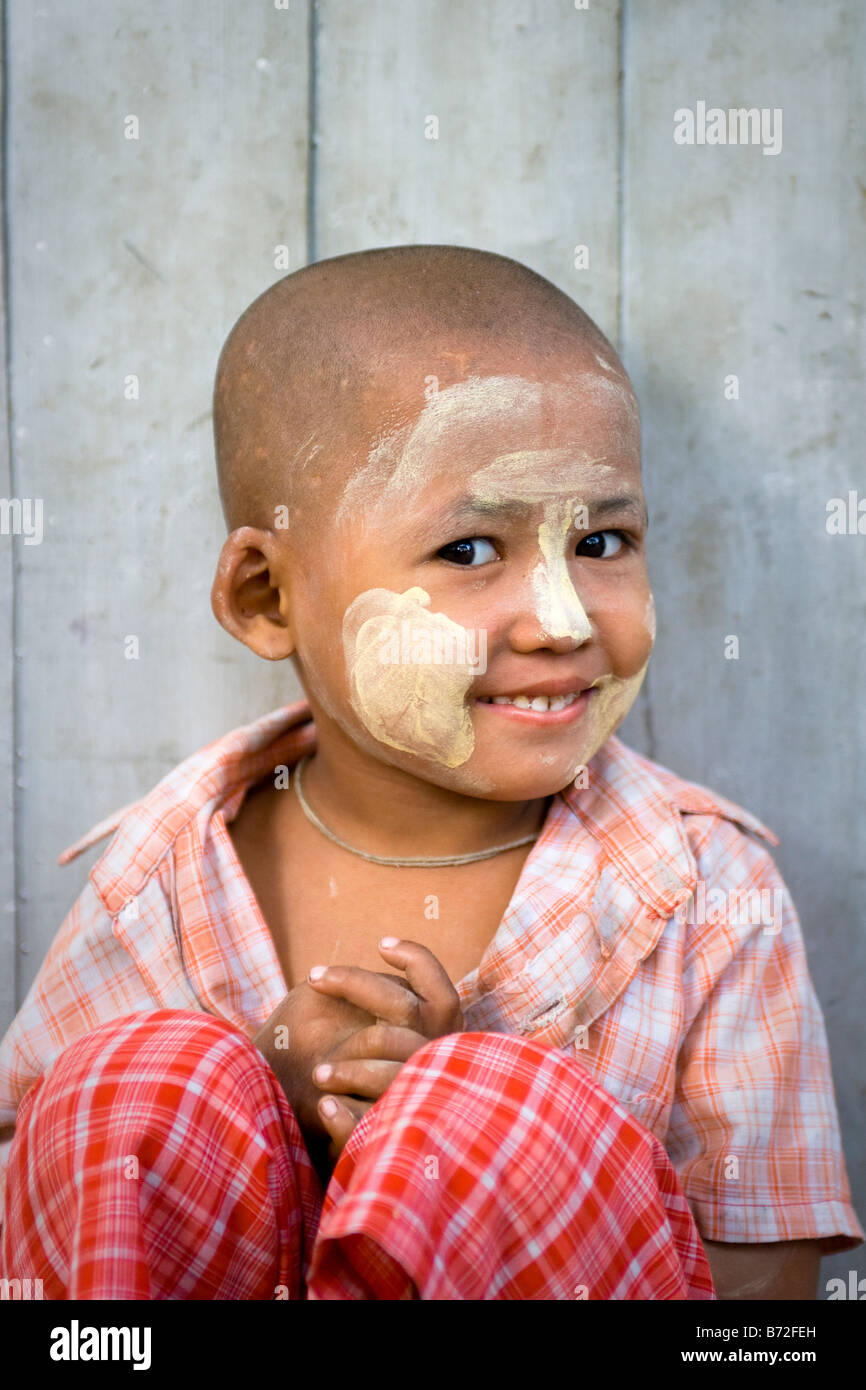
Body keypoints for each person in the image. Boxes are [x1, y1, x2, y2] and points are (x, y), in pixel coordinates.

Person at [0, 246, 861, 1300]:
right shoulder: (157, 885)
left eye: (601, 539)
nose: (563, 620)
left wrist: (465, 1155)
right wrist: (269, 1087)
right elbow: (45, 1212)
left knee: (479, 1106)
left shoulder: (707, 898)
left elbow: (767, 1310)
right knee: (135, 1085)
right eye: (466, 552)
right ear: (269, 598)